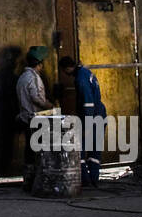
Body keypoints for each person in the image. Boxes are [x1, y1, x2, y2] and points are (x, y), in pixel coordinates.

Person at [60, 56, 106, 186]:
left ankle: (85, 181)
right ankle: (94, 180)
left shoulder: (80, 79)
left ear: (67, 68)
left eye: (64, 71)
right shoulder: (85, 72)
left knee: (80, 149)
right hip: (99, 115)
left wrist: (87, 124)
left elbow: (88, 103)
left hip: (91, 117)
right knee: (94, 151)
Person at [15, 45, 52, 191]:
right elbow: (36, 98)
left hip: (26, 118)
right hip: (35, 119)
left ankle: (28, 181)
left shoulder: (22, 77)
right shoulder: (34, 77)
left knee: (30, 151)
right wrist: (51, 106)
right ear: (40, 63)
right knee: (40, 151)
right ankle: (38, 182)